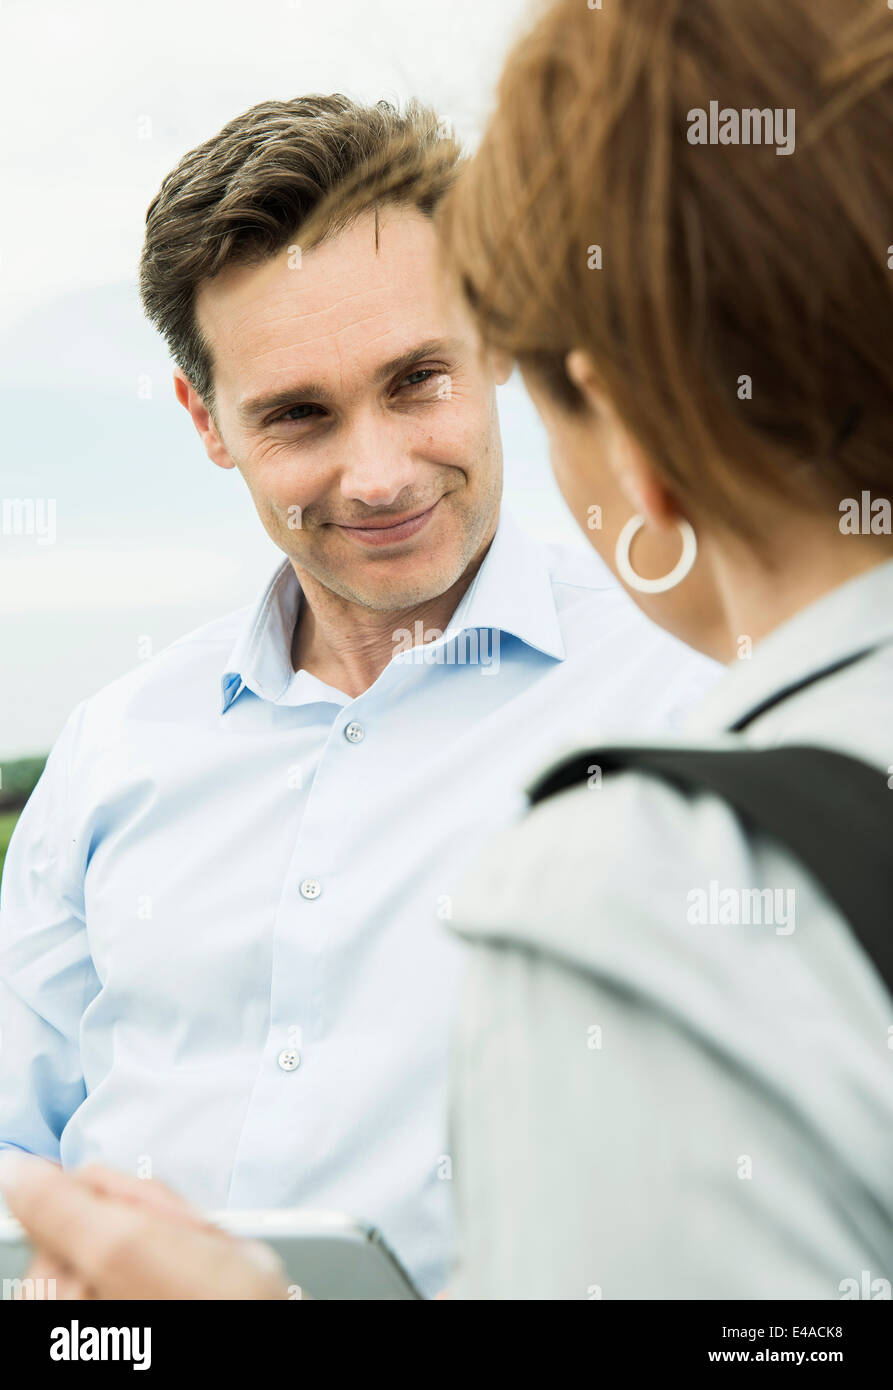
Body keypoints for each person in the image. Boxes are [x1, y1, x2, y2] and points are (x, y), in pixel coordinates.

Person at [5, 0, 892, 1300]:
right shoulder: (111, 748)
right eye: (298, 415)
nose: (375, 475)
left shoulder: (712, 721)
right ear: (203, 420)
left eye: (416, 380)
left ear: (494, 351)